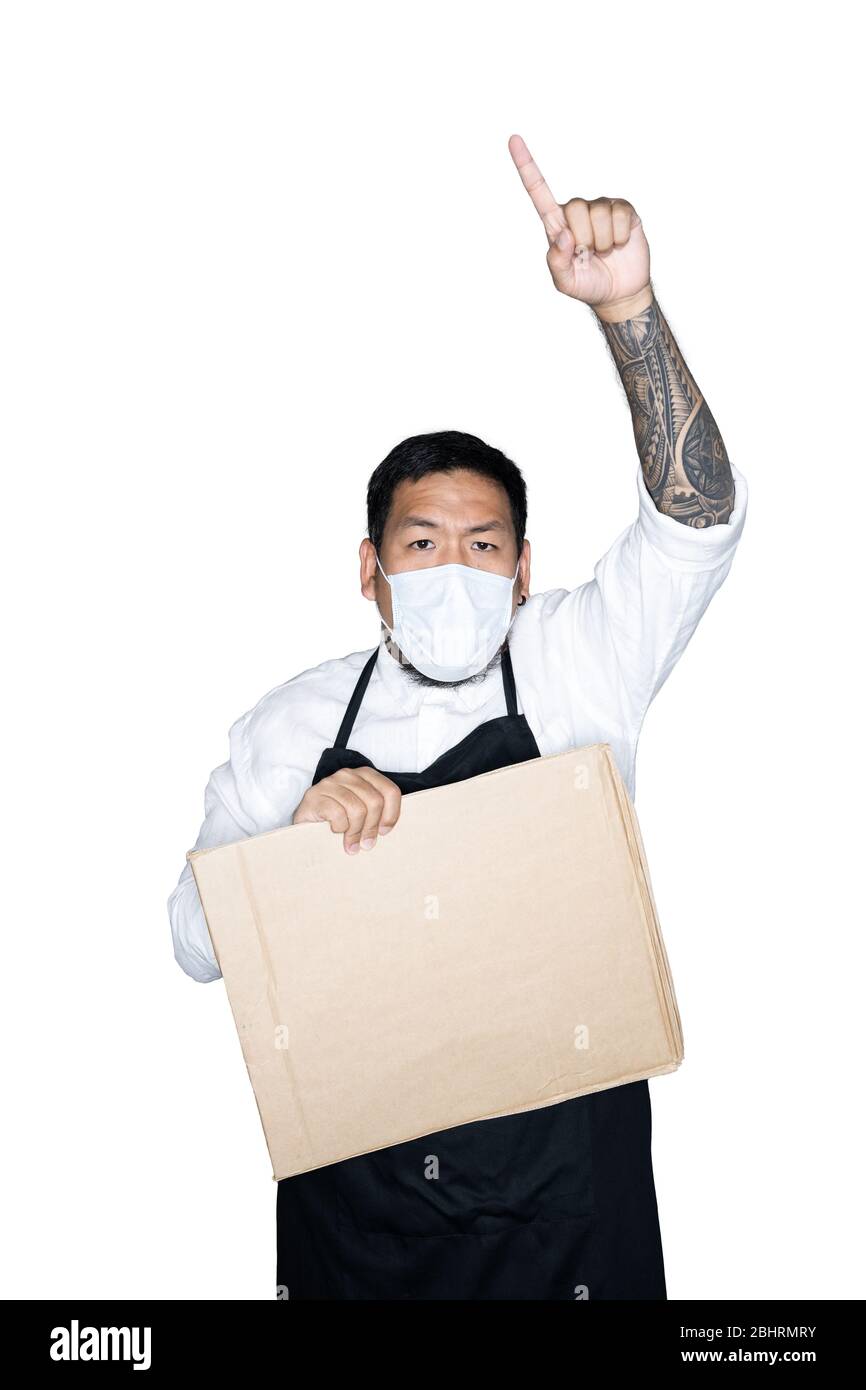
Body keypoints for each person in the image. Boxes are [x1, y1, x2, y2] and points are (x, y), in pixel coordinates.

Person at [167, 135, 748, 1300]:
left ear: (523, 568)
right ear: (369, 570)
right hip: (362, 1217)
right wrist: (289, 839)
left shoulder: (580, 659)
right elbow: (189, 942)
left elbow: (697, 516)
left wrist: (624, 304)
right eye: (420, 547)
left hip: (566, 1204)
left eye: (481, 548)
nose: (452, 573)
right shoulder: (288, 724)